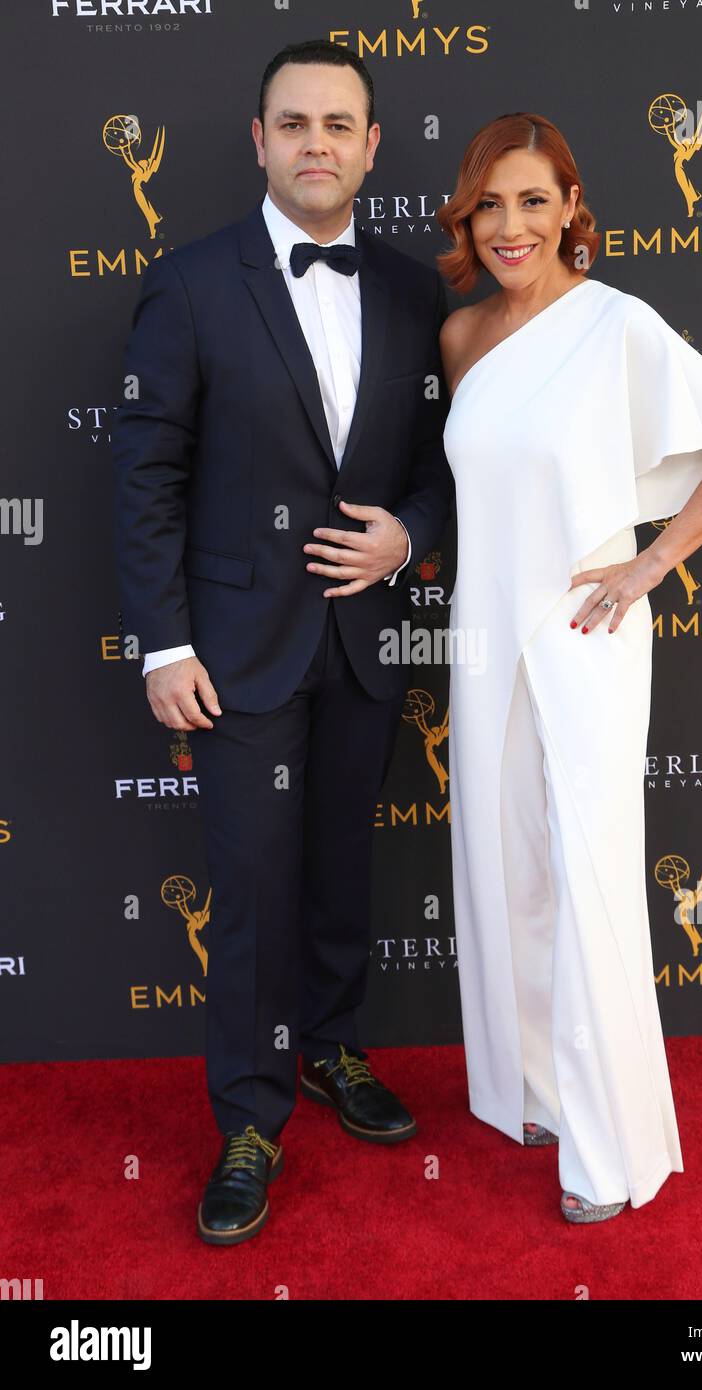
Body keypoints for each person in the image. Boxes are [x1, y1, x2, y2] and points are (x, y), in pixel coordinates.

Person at [111, 39, 453, 1246]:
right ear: (258, 141)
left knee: (338, 873)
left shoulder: (419, 294)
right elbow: (145, 471)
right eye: (293, 122)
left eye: (339, 124)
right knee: (251, 891)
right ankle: (249, 1118)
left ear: (370, 145)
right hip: (236, 649)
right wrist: (163, 646)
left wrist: (403, 540)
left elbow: (443, 472)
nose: (317, 142)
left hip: (364, 642)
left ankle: (330, 1049)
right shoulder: (191, 281)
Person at [436, 113, 702, 1223]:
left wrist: (650, 565)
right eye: (490, 203)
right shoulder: (461, 337)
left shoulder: (617, 322)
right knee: (501, 862)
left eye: (533, 200)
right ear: (468, 215)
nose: (510, 225)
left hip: (583, 634)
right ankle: (532, 1085)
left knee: (580, 873)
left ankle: (602, 1148)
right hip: (482, 633)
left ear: (570, 208)